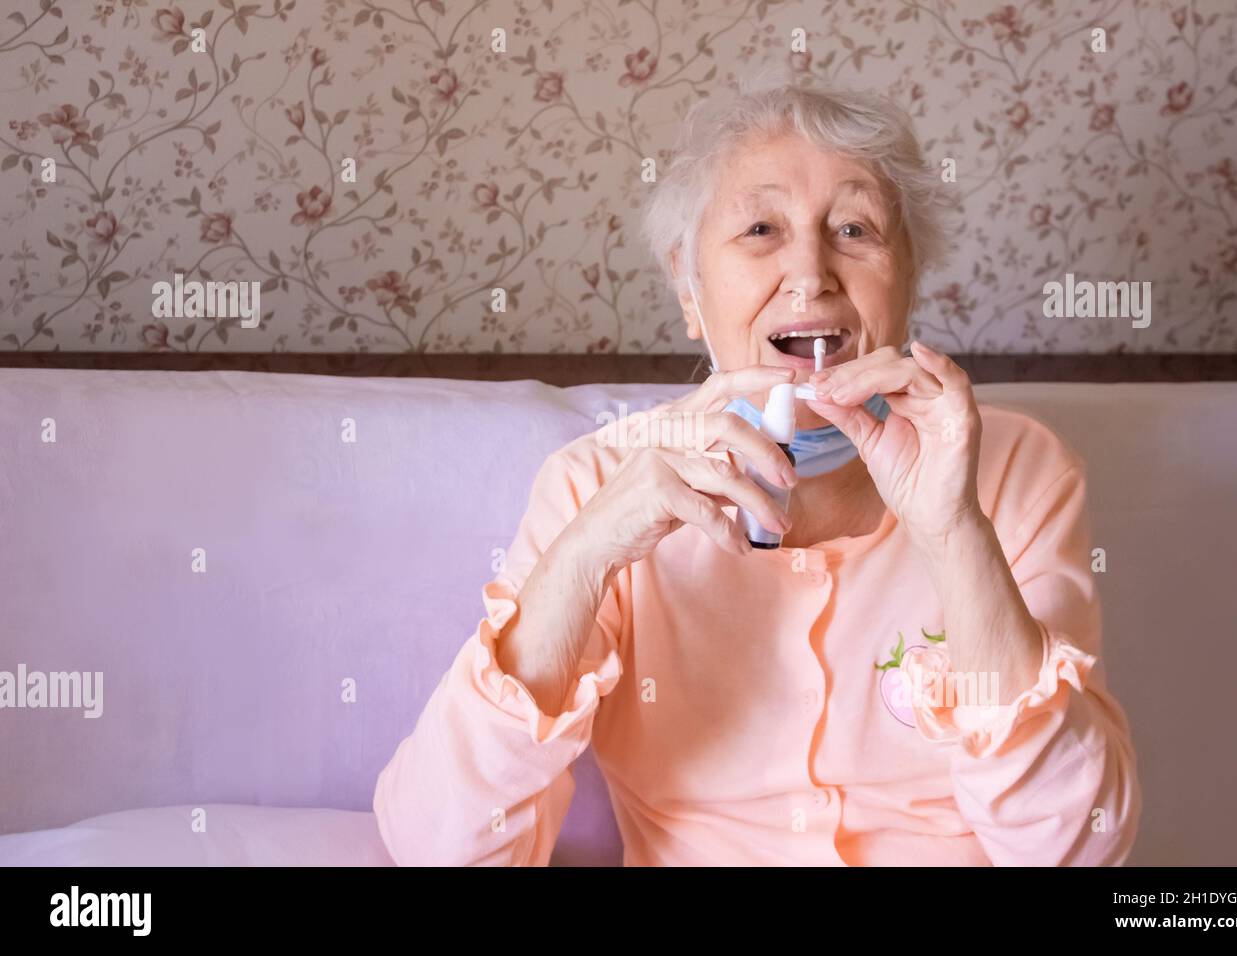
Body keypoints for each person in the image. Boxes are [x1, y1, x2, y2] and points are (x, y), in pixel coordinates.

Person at [373, 79, 1141, 866]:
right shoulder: (596, 481)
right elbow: (441, 848)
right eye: (761, 228)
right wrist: (584, 558)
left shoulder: (1017, 470)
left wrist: (953, 535)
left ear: (908, 278)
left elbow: (1078, 850)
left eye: (854, 228)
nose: (811, 274)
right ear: (689, 288)